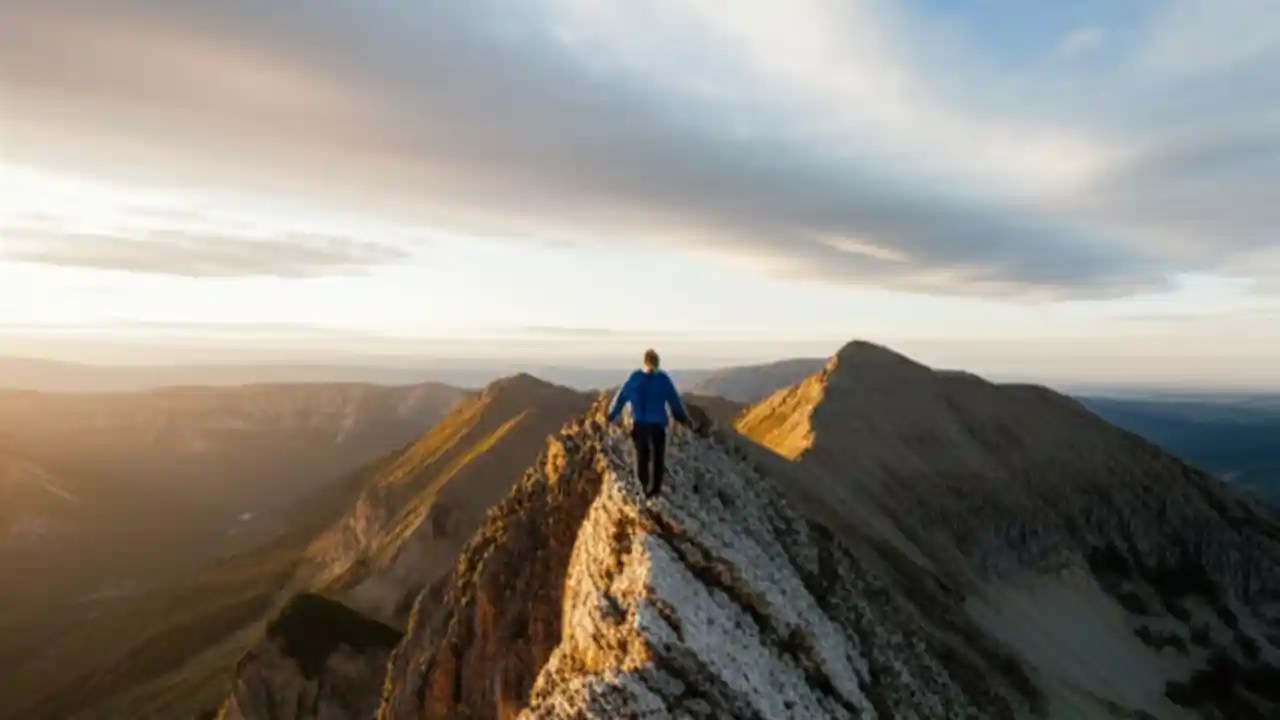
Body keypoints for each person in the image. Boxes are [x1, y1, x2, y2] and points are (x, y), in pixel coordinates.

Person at [606, 348, 691, 498]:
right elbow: (674, 401)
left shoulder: (635, 378)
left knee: (641, 457)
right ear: (657, 363)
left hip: (640, 424)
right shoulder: (663, 380)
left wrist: (611, 415)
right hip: (657, 425)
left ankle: (643, 488)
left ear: (644, 362)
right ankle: (655, 490)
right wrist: (683, 418)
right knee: (658, 458)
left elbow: (620, 398)